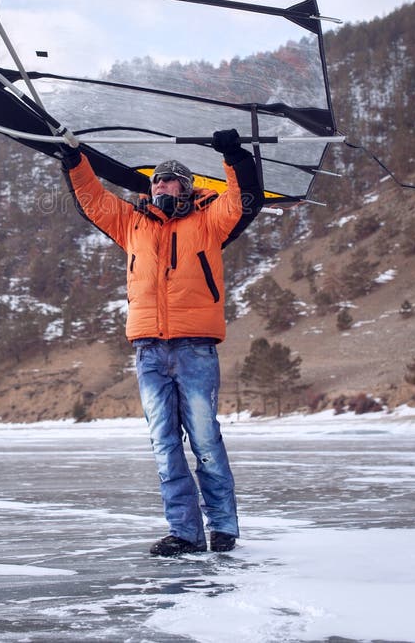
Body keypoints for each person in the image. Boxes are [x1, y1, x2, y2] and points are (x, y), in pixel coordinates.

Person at [59, 129, 264, 556]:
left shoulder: (209, 220)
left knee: (205, 440)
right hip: (148, 349)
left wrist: (233, 155)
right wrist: (74, 159)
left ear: (186, 187)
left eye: (171, 180)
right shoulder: (131, 222)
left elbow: (245, 198)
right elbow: (92, 200)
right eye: (157, 180)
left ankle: (223, 526)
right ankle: (185, 532)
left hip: (195, 348)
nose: (162, 185)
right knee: (164, 443)